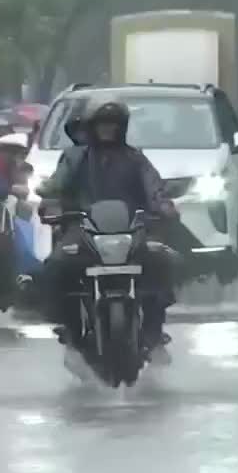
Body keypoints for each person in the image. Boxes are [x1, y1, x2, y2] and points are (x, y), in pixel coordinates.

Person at [35, 101, 179, 349]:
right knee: (57, 264)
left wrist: (164, 205)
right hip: (83, 228)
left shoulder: (135, 158)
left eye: (113, 125)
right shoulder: (75, 157)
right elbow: (56, 185)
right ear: (92, 127)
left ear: (122, 127)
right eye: (102, 125)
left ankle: (154, 329)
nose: (107, 130)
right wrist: (50, 201)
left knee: (163, 260)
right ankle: (69, 324)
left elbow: (154, 187)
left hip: (131, 229)